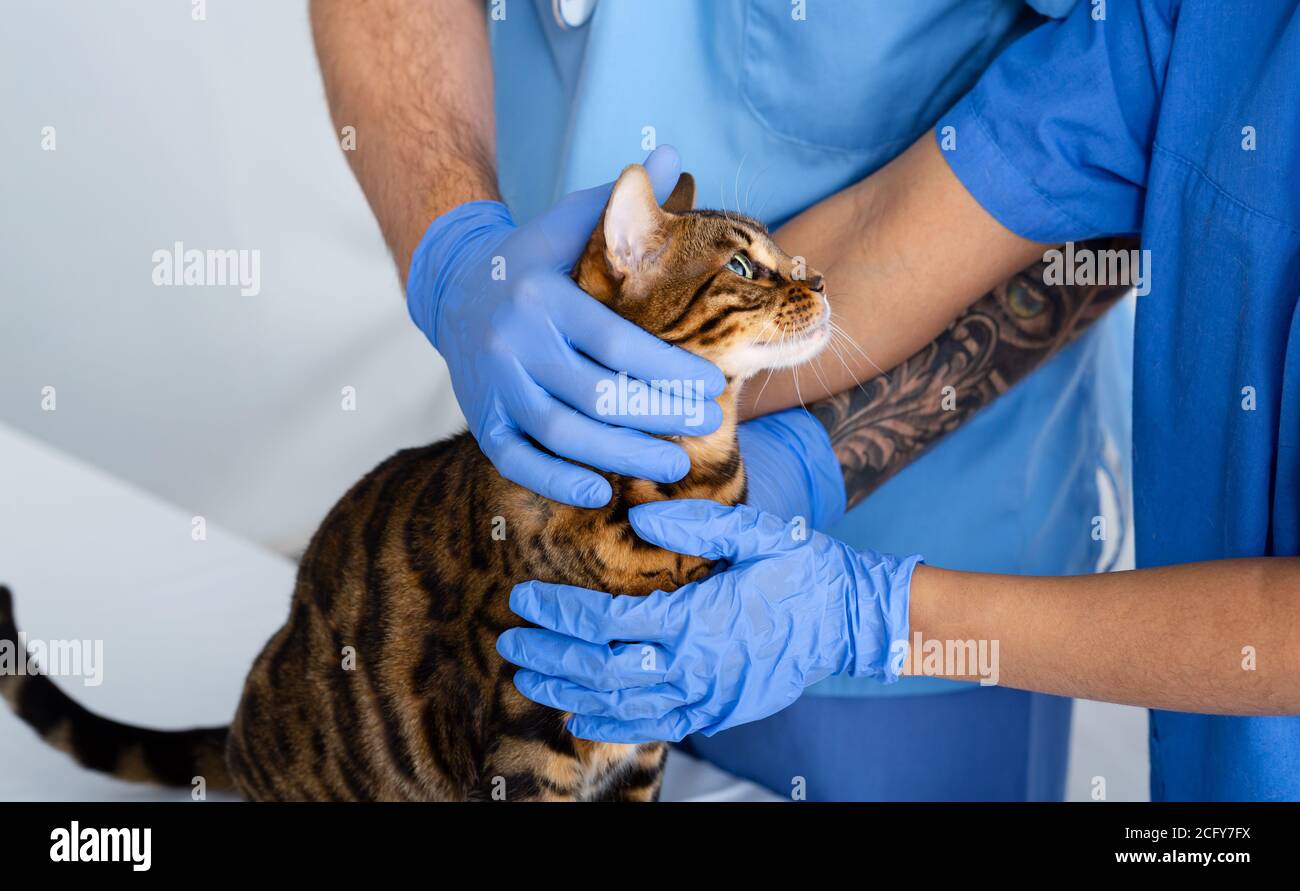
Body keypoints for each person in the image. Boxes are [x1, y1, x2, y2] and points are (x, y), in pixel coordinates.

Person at [312, 0, 1134, 800]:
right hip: (548, 505)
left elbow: (1117, 146)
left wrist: (808, 461)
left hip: (913, 583)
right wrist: (454, 251)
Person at [496, 0, 1300, 801]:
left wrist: (872, 617)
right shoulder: (1193, 25)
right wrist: (606, 360)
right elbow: (909, 223)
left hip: (981, 574)